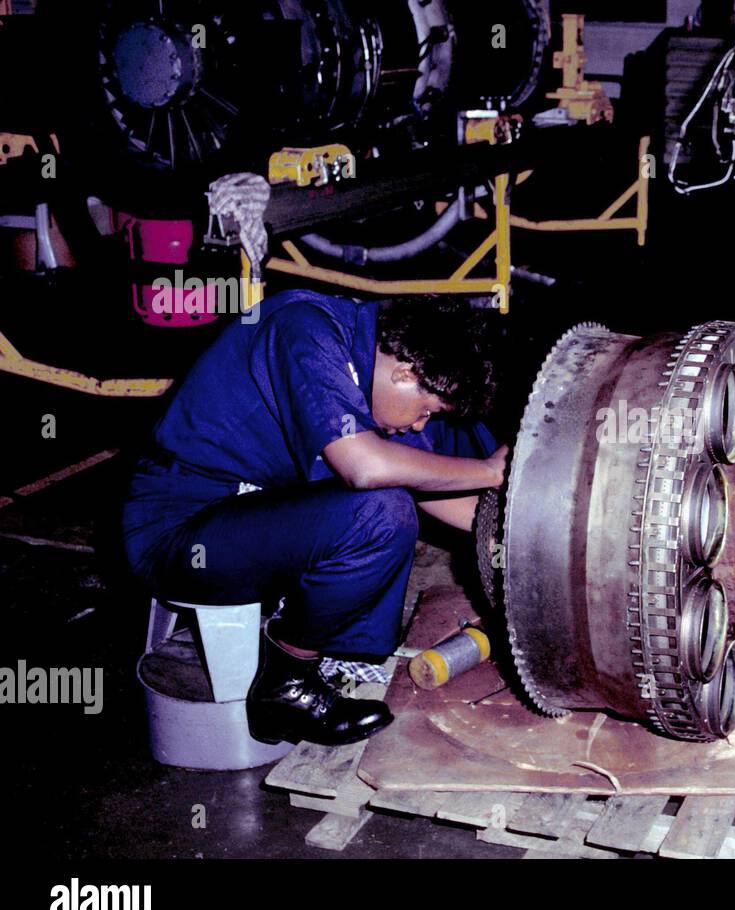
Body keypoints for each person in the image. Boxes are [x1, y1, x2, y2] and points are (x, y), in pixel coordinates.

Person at [122, 289, 507, 747]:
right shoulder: (306, 329)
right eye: (426, 411)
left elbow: (424, 484)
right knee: (380, 515)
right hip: (178, 532)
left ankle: (317, 654)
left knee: (388, 500)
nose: (421, 425)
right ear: (405, 373)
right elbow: (367, 469)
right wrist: (488, 471)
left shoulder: (366, 356)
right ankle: (286, 682)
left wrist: (514, 544)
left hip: (247, 519)